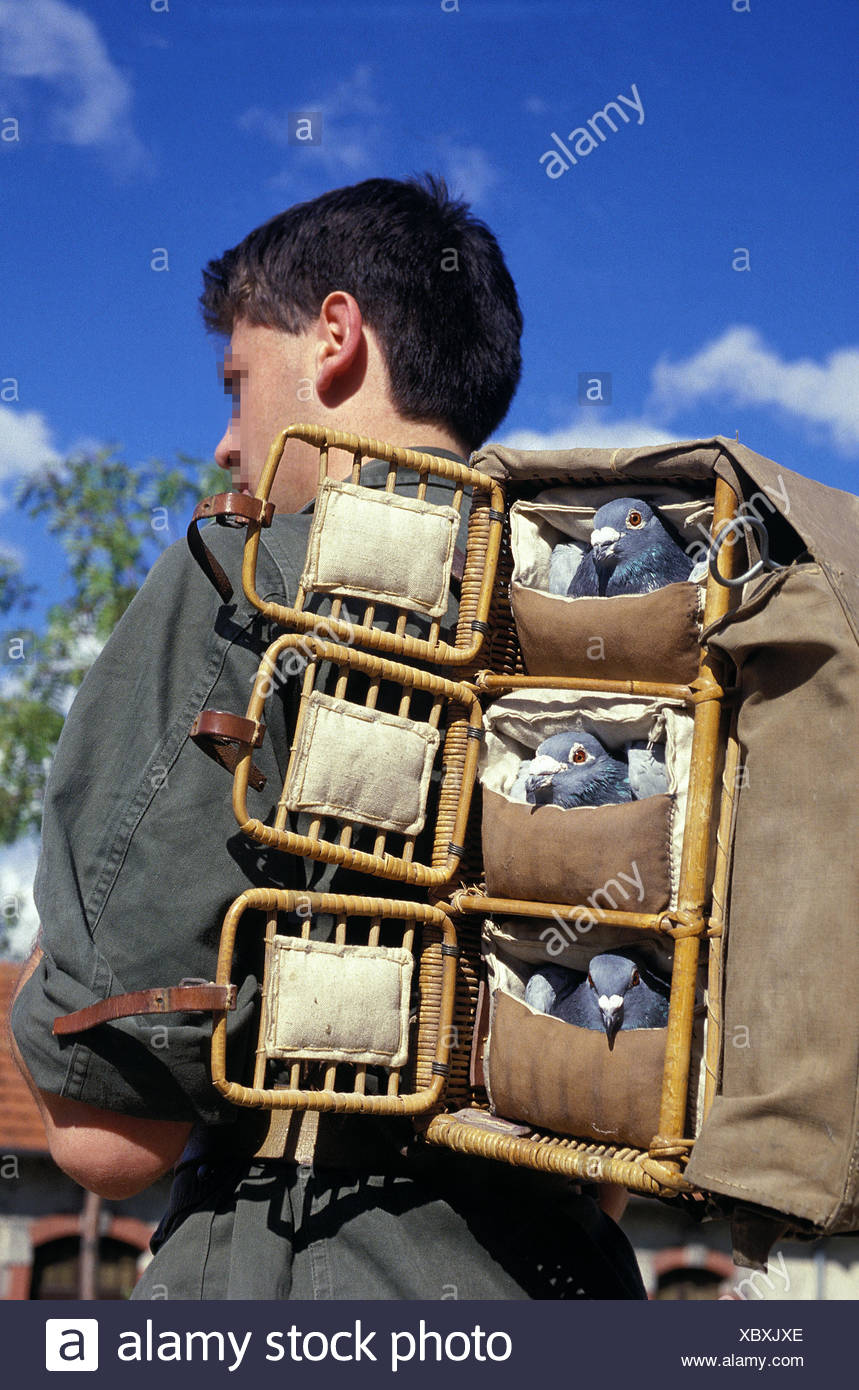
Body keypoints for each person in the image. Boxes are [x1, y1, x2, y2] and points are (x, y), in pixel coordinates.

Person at [11, 176, 646, 1299]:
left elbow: (109, 1140)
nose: (223, 442)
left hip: (310, 1285)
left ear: (336, 342)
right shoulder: (605, 626)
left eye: (236, 380)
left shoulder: (255, 577)